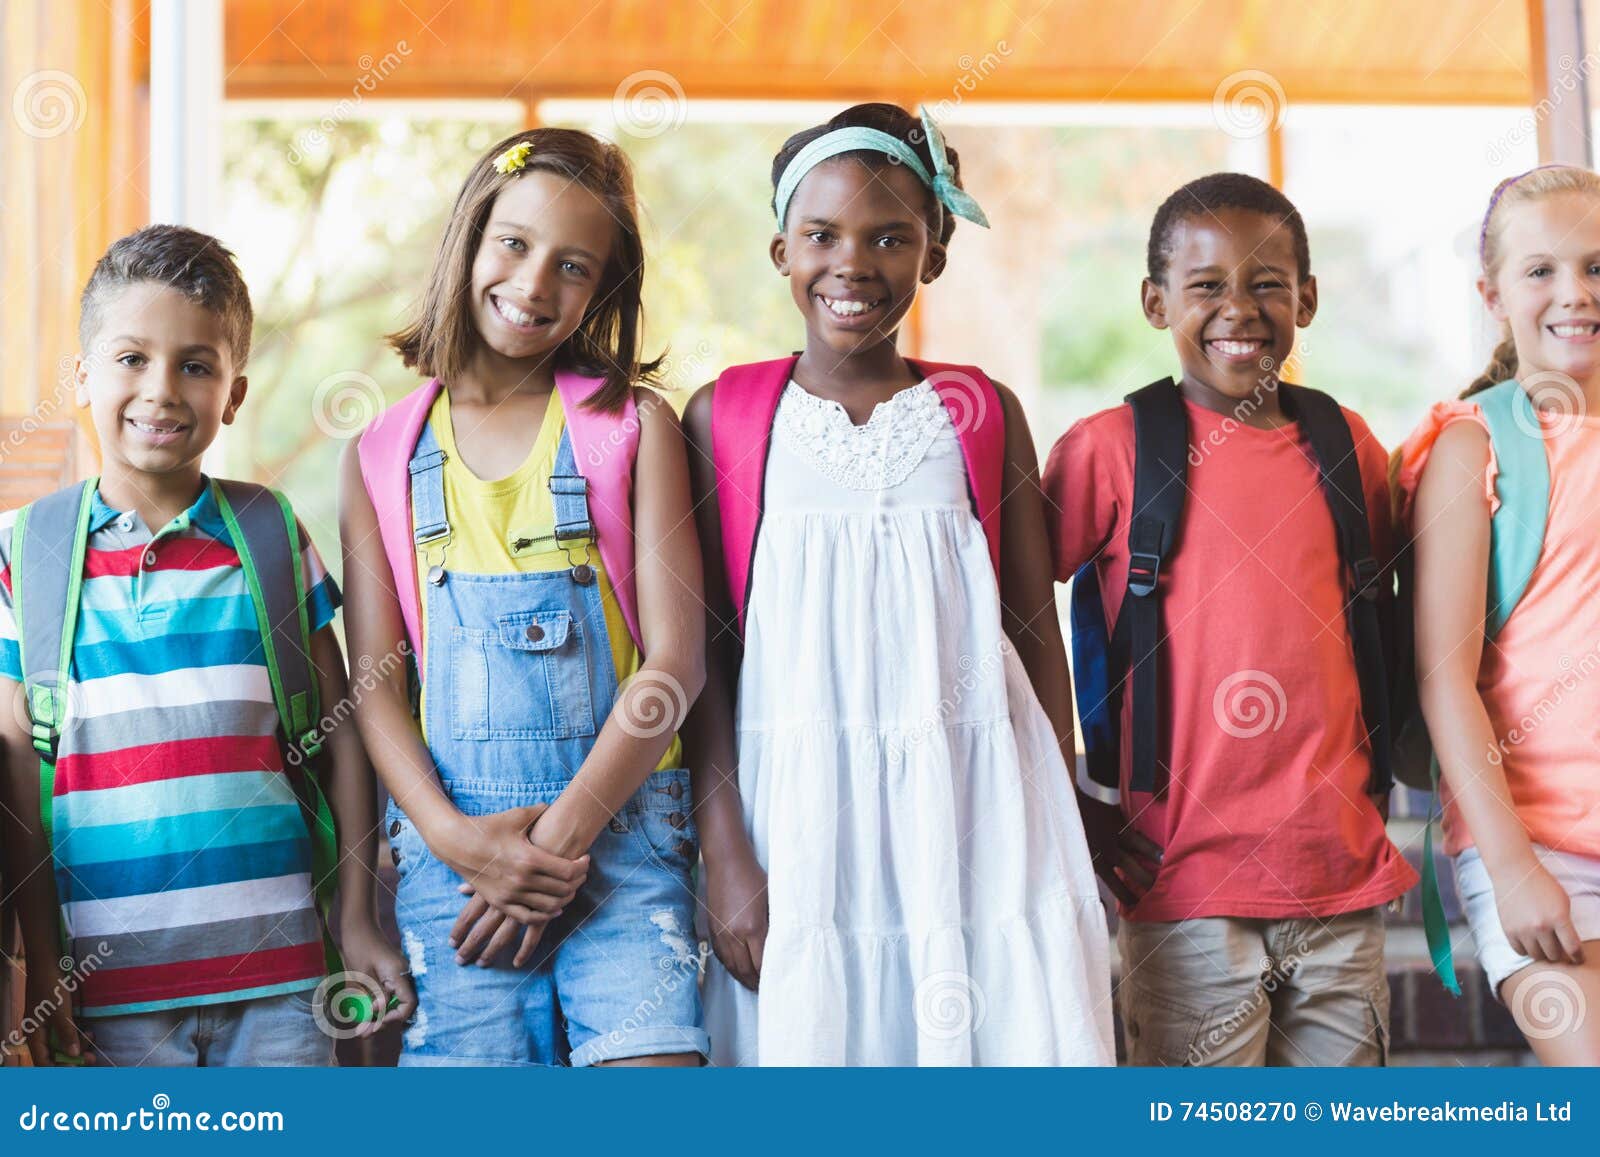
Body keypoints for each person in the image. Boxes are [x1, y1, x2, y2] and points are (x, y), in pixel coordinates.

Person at [685, 102, 1114, 1067]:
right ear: (779, 249)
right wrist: (724, 848)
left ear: (935, 253)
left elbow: (1032, 630)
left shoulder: (979, 412)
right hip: (791, 811)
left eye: (891, 237)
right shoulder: (725, 416)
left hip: (970, 805)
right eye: (822, 235)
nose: (854, 262)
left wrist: (1061, 808)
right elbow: (703, 649)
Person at [0, 225, 412, 1066]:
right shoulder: (28, 551)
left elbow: (340, 737)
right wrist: (40, 962)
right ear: (80, 375)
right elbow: (17, 779)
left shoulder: (269, 532)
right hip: (105, 998)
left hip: (285, 987)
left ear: (234, 392)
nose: (161, 389)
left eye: (195, 364)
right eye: (131, 358)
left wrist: (358, 916)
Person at [340, 129, 708, 1066]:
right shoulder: (380, 454)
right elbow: (375, 688)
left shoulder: (631, 427)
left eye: (573, 266)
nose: (535, 283)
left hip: (621, 846)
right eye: (514, 244)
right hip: (458, 864)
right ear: (469, 238)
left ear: (602, 291)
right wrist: (457, 839)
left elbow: (676, 663)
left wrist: (554, 847)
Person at [1045, 173, 1415, 1066]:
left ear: (1309, 299)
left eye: (1268, 283)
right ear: (1155, 300)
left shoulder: (1348, 444)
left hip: (1338, 875)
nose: (1239, 308)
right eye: (1207, 285)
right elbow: (1011, 623)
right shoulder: (1108, 448)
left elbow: (1398, 619)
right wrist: (1068, 800)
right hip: (1183, 883)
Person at [1396, 164, 1600, 1064]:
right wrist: (1515, 869)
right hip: (1545, 849)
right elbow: (1445, 678)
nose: (1577, 294)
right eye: (1542, 270)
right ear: (1493, 294)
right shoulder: (1475, 446)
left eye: (1598, 267)